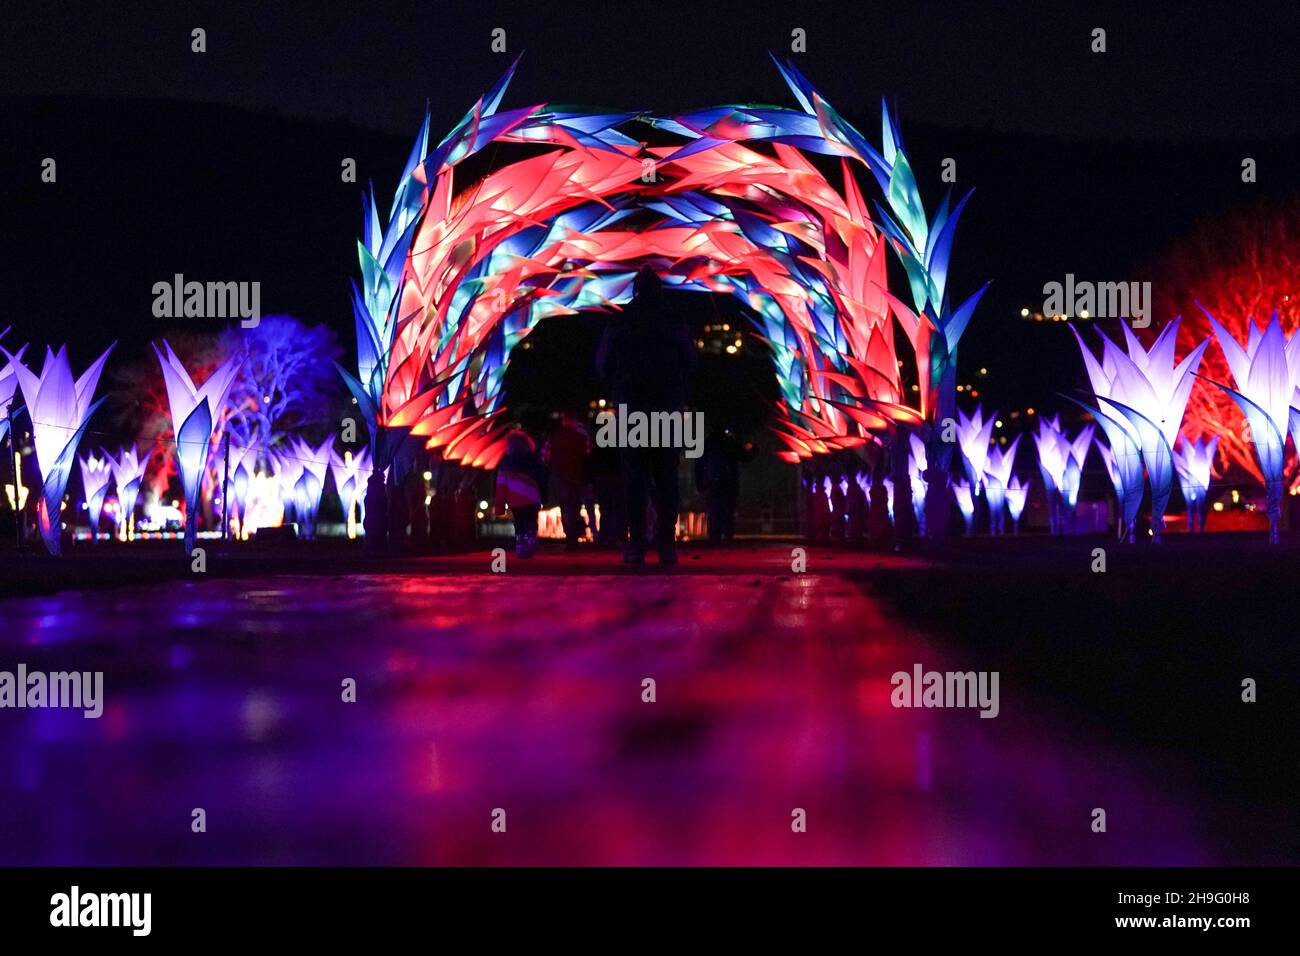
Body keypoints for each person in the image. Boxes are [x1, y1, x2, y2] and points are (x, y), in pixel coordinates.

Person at [595, 265, 696, 565]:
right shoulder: (673, 321)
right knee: (667, 476)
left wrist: (617, 384)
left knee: (635, 478)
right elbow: (692, 359)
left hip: (632, 406)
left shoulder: (621, 321)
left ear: (635, 290)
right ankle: (667, 544)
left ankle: (636, 545)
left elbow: (602, 363)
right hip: (667, 406)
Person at [694, 424, 755, 543]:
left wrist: (700, 481)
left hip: (713, 481)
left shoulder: (707, 443)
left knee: (714, 509)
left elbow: (699, 464)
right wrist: (753, 451)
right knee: (727, 509)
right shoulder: (729, 442)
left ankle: (715, 535)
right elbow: (744, 456)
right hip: (728, 481)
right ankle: (727, 533)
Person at [542, 411, 591, 550]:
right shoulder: (581, 437)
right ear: (575, 422)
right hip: (577, 477)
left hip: (559, 477)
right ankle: (574, 537)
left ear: (564, 422)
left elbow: (544, 456)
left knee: (564, 507)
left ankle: (568, 535)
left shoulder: (554, 437)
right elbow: (587, 454)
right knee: (575, 507)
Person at [494, 430, 547, 558]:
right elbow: (542, 478)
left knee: (519, 523)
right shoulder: (533, 458)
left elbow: (501, 483)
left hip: (515, 498)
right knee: (531, 521)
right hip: (532, 496)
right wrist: (544, 496)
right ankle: (531, 540)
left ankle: (520, 547)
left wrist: (499, 506)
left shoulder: (506, 461)